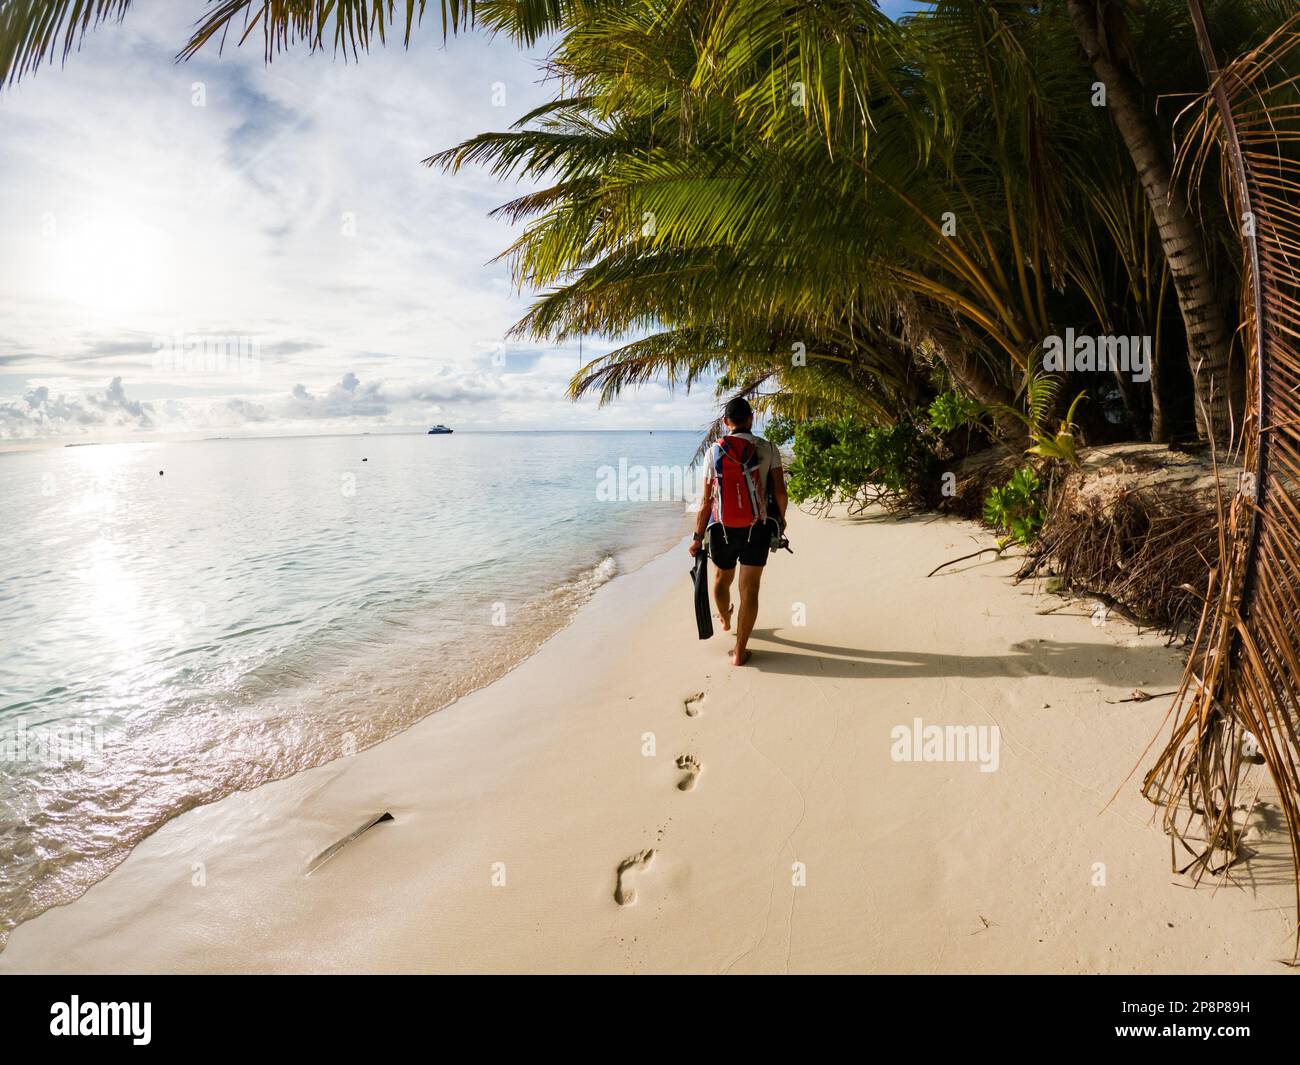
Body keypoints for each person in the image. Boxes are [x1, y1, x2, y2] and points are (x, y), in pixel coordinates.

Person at [688, 397, 787, 666]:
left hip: (723, 529)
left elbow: (706, 501)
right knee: (750, 590)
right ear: (751, 419)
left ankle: (726, 619)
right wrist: (782, 520)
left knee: (721, 579)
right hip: (758, 527)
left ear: (725, 422)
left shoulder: (714, 451)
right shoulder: (767, 448)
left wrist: (697, 538)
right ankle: (740, 651)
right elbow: (779, 491)